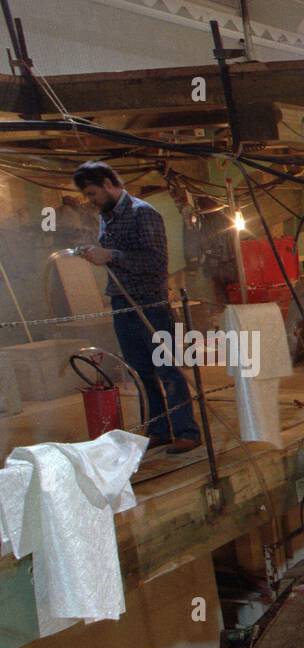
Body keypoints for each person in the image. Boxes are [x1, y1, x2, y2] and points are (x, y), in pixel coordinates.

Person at [73, 161, 200, 453]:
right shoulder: (108, 217)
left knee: (166, 369)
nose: (91, 201)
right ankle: (159, 428)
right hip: (122, 304)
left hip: (149, 304)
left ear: (108, 184)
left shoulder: (143, 214)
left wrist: (111, 256)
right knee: (140, 372)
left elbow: (155, 262)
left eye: (93, 194)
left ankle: (187, 431)